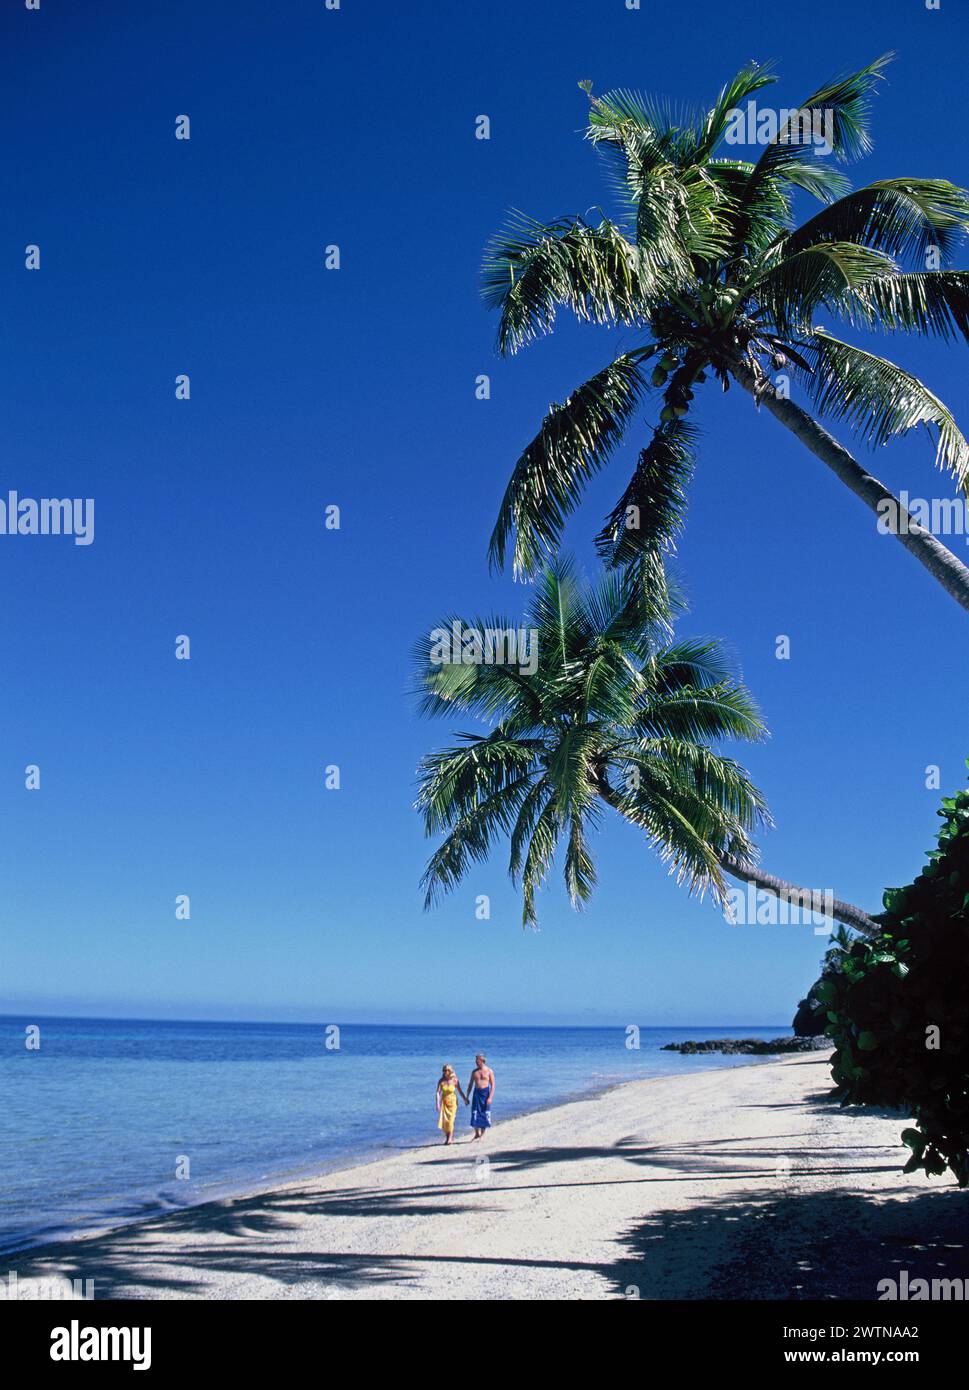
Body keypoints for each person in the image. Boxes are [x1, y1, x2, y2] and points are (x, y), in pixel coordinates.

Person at [435, 1064, 467, 1145]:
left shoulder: (455, 1080)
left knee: (451, 1121)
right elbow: (438, 1093)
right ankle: (447, 1138)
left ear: (450, 1071)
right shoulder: (441, 1081)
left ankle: (450, 1139)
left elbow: (460, 1091)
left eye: (447, 1070)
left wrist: (465, 1100)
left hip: (453, 1103)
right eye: (444, 1070)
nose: (445, 1072)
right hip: (444, 1103)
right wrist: (437, 1104)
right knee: (445, 1122)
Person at [467, 1053, 495, 1139]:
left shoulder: (489, 1071)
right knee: (475, 1112)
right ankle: (476, 1133)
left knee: (484, 1113)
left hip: (485, 1093)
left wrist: (490, 1097)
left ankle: (482, 1135)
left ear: (482, 1060)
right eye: (475, 1060)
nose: (476, 1062)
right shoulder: (474, 1072)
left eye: (477, 1060)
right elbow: (470, 1085)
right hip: (476, 1093)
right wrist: (467, 1097)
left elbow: (493, 1085)